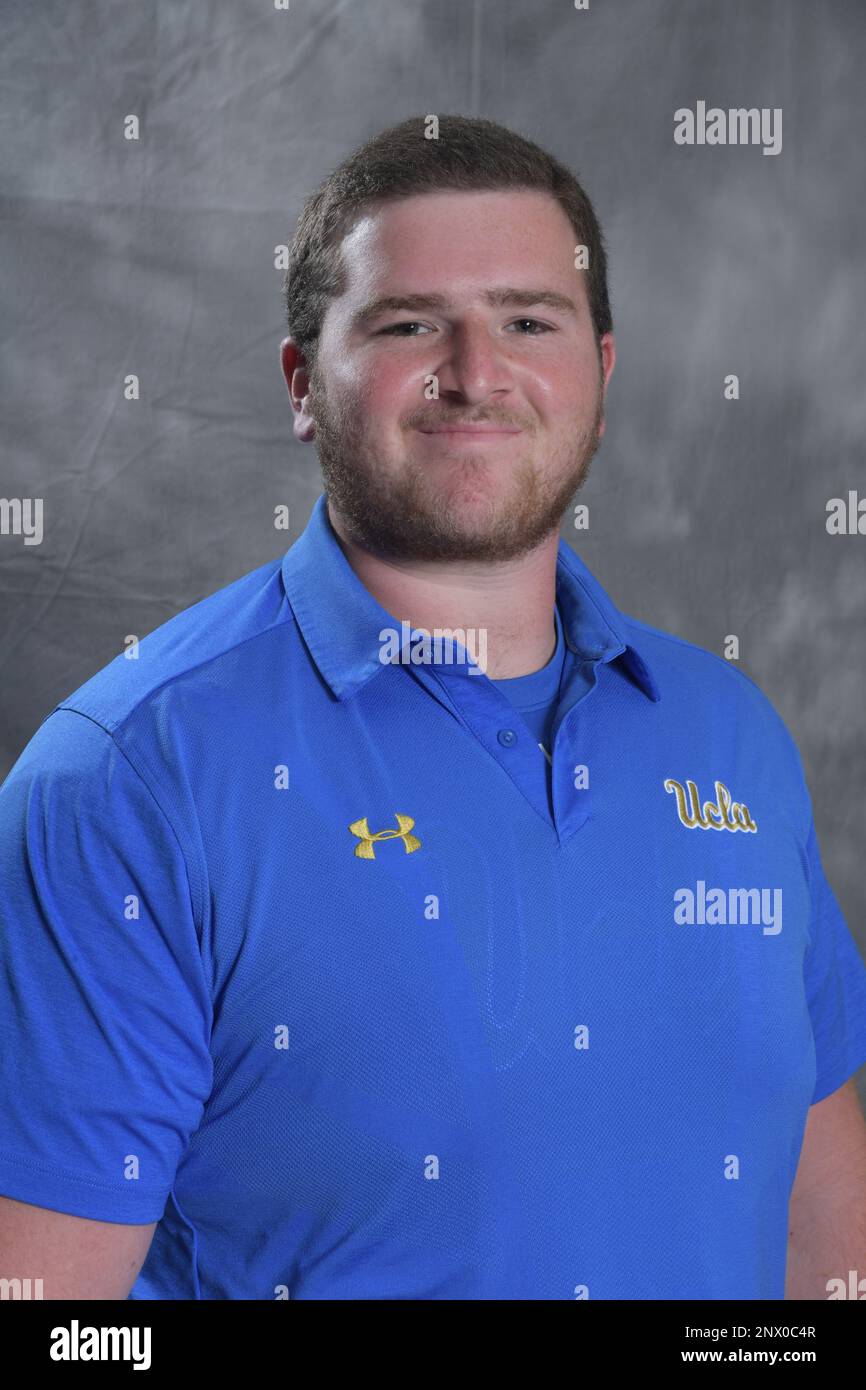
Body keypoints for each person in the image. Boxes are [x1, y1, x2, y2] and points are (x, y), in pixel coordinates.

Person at [1, 114, 865, 1301]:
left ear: (597, 375)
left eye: (526, 320)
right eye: (409, 324)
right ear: (304, 384)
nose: (474, 372)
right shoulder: (122, 783)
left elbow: (824, 1229)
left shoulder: (728, 735)